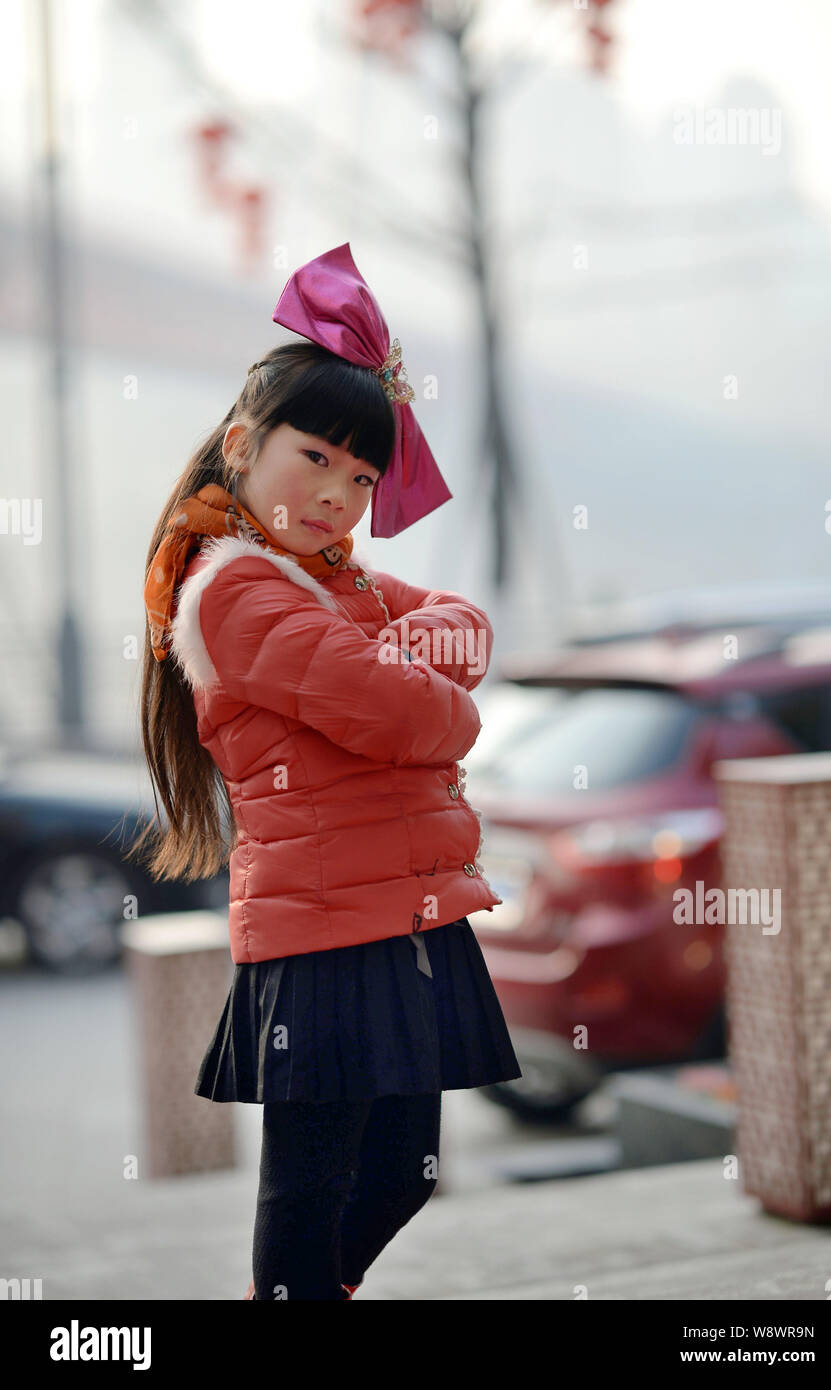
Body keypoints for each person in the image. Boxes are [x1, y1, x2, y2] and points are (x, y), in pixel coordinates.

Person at [132, 243, 521, 1302]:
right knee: (307, 1200)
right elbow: (417, 713)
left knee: (403, 1172)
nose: (338, 494)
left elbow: (467, 628)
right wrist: (427, 688)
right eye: (316, 458)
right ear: (243, 444)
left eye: (361, 477)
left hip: (401, 914)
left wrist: (411, 667)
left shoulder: (332, 579)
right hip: (321, 932)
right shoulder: (234, 591)